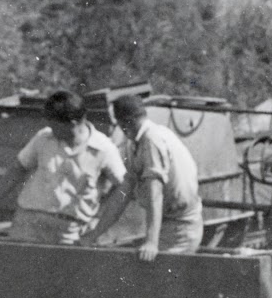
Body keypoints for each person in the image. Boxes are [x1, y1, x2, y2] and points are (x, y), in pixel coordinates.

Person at [0, 89, 126, 245]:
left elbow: (124, 187)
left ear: (73, 124)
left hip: (70, 232)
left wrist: (100, 218)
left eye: (55, 125)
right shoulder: (43, 138)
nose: (51, 128)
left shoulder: (104, 149)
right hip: (28, 224)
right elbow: (18, 168)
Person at [87, 95, 204, 261]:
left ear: (124, 123)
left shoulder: (151, 140)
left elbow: (154, 193)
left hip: (181, 227)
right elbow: (124, 192)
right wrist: (96, 233)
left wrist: (151, 242)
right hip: (168, 224)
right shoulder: (135, 143)